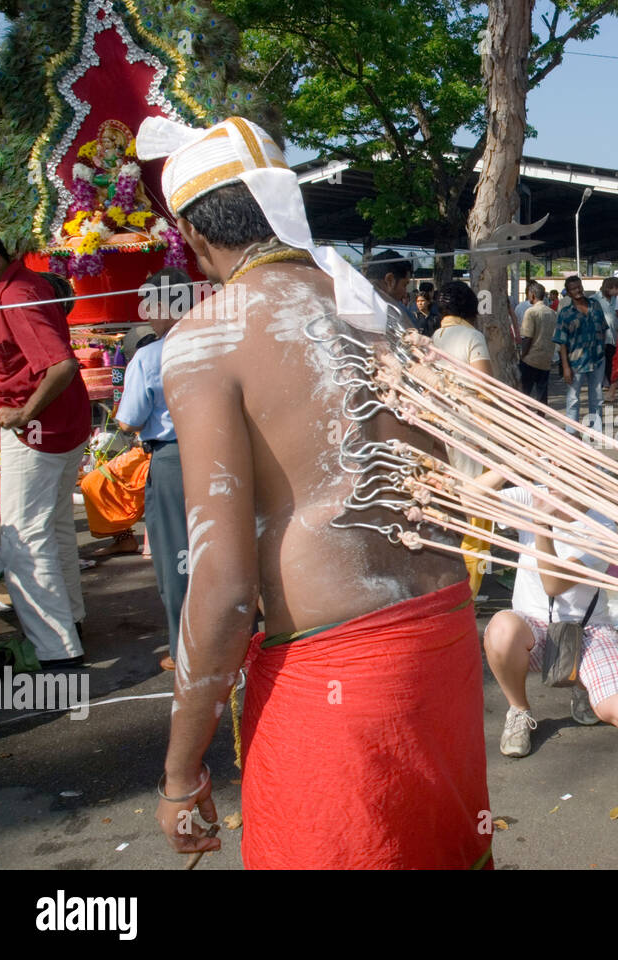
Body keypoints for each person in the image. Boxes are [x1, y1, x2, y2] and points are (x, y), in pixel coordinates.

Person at [137, 115, 489, 869]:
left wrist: (179, 772)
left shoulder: (203, 337)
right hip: (440, 636)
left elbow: (226, 588)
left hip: (337, 670)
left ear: (195, 237)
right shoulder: (378, 311)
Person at [0, 222, 92, 668]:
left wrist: (24, 412)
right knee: (53, 528)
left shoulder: (15, 296)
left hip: (39, 430)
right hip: (61, 426)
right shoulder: (18, 287)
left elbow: (61, 365)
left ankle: (56, 649)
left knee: (22, 539)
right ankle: (70, 622)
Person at [485, 484, 618, 757]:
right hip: (532, 627)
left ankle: (584, 685)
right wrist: (509, 463)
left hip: (588, 631)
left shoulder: (602, 525)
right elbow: (469, 495)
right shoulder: (533, 495)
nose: (556, 488)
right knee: (502, 629)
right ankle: (519, 710)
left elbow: (553, 584)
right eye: (552, 473)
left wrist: (542, 526)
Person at [116, 268, 194, 671]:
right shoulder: (220, 344)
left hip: (174, 460)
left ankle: (187, 649)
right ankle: (241, 640)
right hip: (228, 456)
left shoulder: (150, 356)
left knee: (177, 555)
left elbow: (129, 420)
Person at [432, 280, 496, 597]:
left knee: (451, 506)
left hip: (437, 428)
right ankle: (468, 591)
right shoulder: (472, 336)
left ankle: (450, 586)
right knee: (478, 510)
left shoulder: (432, 338)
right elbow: (484, 389)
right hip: (469, 431)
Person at [553, 275, 607, 429]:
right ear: (568, 293)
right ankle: (571, 432)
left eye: (579, 287)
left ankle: (596, 432)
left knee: (597, 398)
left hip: (597, 360)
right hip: (575, 363)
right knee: (573, 399)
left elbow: (603, 330)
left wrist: (602, 353)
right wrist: (565, 368)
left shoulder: (595, 305)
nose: (578, 290)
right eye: (573, 289)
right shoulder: (565, 313)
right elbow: (561, 342)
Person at [517, 281, 555, 405]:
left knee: (525, 393)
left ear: (532, 295)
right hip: (546, 359)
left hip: (531, 359)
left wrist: (522, 355)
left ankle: (524, 420)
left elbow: (527, 337)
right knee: (542, 394)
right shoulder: (552, 313)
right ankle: (541, 417)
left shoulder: (531, 312)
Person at [364, 248, 416, 326]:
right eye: (404, 285)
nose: (405, 294)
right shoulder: (400, 315)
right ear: (390, 280)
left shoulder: (346, 306)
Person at [597, 276, 618, 394]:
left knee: (612, 361)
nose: (611, 290)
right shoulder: (595, 299)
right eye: (610, 287)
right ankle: (603, 382)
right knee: (601, 360)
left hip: (614, 336)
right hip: (600, 336)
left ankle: (610, 382)